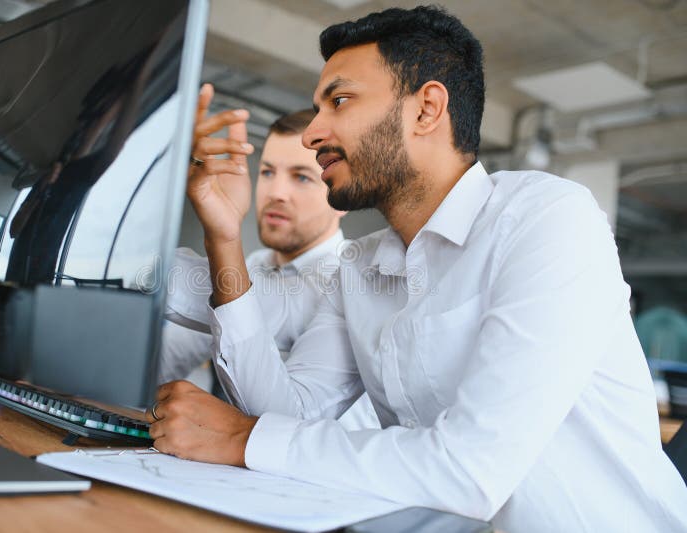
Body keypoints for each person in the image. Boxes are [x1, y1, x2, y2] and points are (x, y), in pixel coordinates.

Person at [149, 5, 687, 531]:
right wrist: (223, 235)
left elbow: (470, 469)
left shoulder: (546, 219)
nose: (313, 133)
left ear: (427, 109)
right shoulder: (361, 266)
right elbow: (287, 417)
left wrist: (244, 439)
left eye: (338, 101)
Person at [160, 102, 379, 430]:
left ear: (342, 193)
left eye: (302, 177)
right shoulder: (252, 266)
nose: (276, 193)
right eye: (267, 172)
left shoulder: (356, 284)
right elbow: (164, 361)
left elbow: (283, 425)